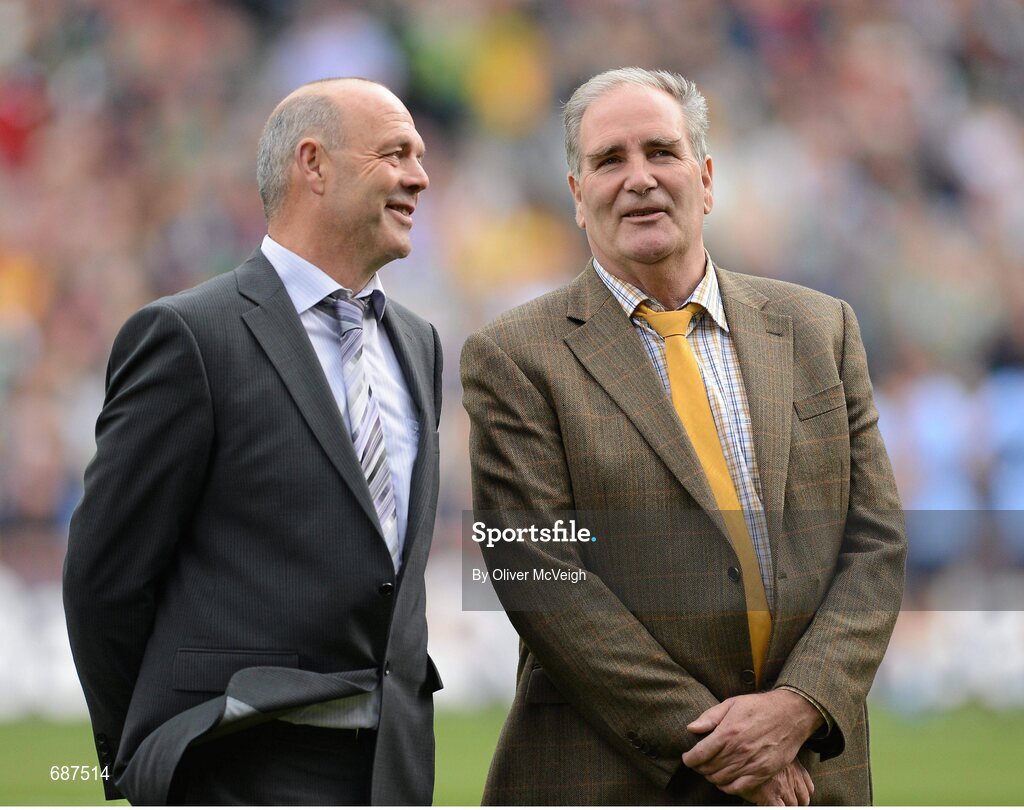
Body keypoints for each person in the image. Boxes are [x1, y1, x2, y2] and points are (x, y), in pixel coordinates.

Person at [461, 67, 906, 805]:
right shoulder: (514, 357)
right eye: (609, 160)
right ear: (577, 197)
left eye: (661, 152)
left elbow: (877, 544)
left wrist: (798, 708)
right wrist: (727, 747)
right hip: (618, 779)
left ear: (705, 178)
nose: (639, 179)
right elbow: (538, 581)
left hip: (810, 775)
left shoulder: (820, 329)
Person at [63, 77, 442, 805]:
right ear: (314, 164)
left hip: (390, 771)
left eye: (419, 156)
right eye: (395, 153)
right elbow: (105, 575)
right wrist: (153, 755)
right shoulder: (189, 336)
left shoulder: (419, 343)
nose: (419, 177)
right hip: (233, 768)